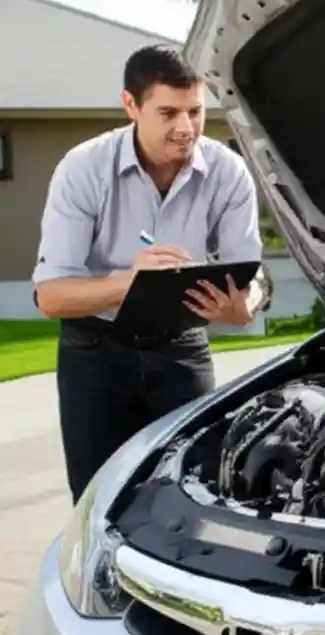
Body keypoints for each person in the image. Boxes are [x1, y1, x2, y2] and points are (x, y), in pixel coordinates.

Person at [31, 44, 266, 504]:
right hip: (95, 354)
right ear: (130, 105)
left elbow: (252, 276)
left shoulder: (228, 172)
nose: (186, 128)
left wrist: (246, 304)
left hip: (182, 347)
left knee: (198, 493)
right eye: (168, 113)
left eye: (195, 111)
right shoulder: (83, 168)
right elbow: (51, 297)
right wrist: (128, 281)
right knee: (100, 500)